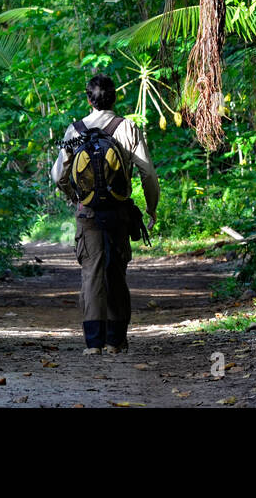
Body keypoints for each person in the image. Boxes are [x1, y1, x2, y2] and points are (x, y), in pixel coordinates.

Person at [50, 74, 160, 355]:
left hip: (88, 215)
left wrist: (74, 196)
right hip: (119, 213)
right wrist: (151, 208)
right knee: (116, 273)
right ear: (114, 98)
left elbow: (58, 175)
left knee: (91, 275)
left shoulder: (74, 132)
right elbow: (147, 173)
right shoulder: (128, 128)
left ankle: (93, 344)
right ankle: (116, 341)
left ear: (89, 99)